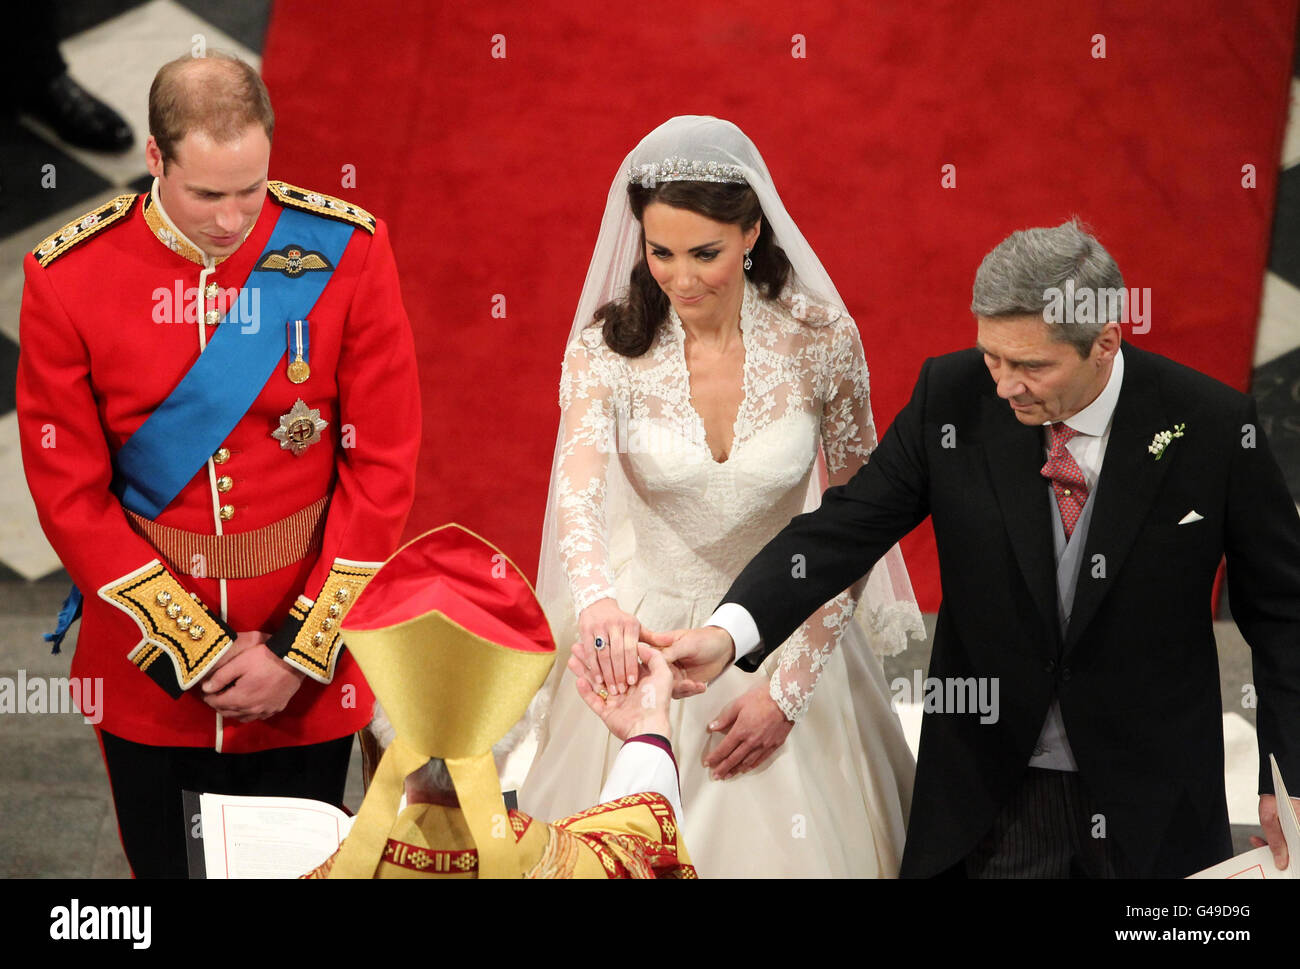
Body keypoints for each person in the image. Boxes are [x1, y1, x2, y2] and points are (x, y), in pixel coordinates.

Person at [651, 219, 1300, 878]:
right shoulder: (953, 397)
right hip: (991, 798)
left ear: (1105, 341)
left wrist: (1290, 771)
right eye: (993, 356)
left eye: (1031, 365)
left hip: (1155, 802)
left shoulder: (1215, 426)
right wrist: (728, 633)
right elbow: (845, 528)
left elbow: (1284, 612)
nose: (1004, 385)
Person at [16, 51, 421, 877]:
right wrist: (193, 648)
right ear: (156, 160)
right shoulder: (69, 276)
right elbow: (68, 492)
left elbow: (381, 469)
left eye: (251, 188)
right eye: (207, 194)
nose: (235, 219)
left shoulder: (346, 251)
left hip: (304, 660)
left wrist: (298, 650)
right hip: (149, 660)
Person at [519, 116, 925, 877]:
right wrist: (601, 601)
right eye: (659, 252)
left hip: (791, 622)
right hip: (646, 638)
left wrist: (790, 688)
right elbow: (576, 498)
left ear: (751, 233)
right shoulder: (607, 348)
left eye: (705, 253)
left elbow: (859, 517)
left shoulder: (823, 342)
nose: (680, 278)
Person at [303, 524, 694, 879]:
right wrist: (647, 732)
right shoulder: (578, 865)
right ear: (516, 732)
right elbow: (646, 846)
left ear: (381, 726)